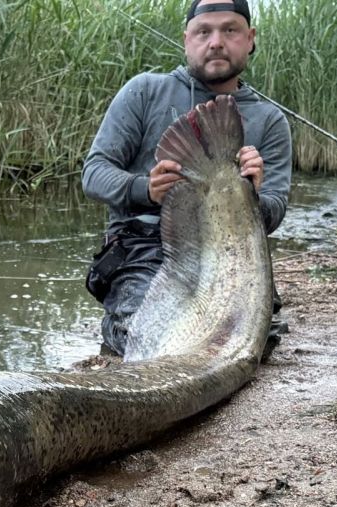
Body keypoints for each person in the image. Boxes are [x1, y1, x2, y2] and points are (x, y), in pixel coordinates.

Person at [82, 0, 292, 358]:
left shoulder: (270, 120)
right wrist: (143, 188)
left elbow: (274, 210)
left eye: (230, 30)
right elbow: (94, 173)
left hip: (228, 253)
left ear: (250, 38)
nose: (216, 42)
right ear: (186, 39)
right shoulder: (145, 91)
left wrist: (251, 197)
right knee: (144, 341)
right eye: (204, 31)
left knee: (245, 349)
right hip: (142, 247)